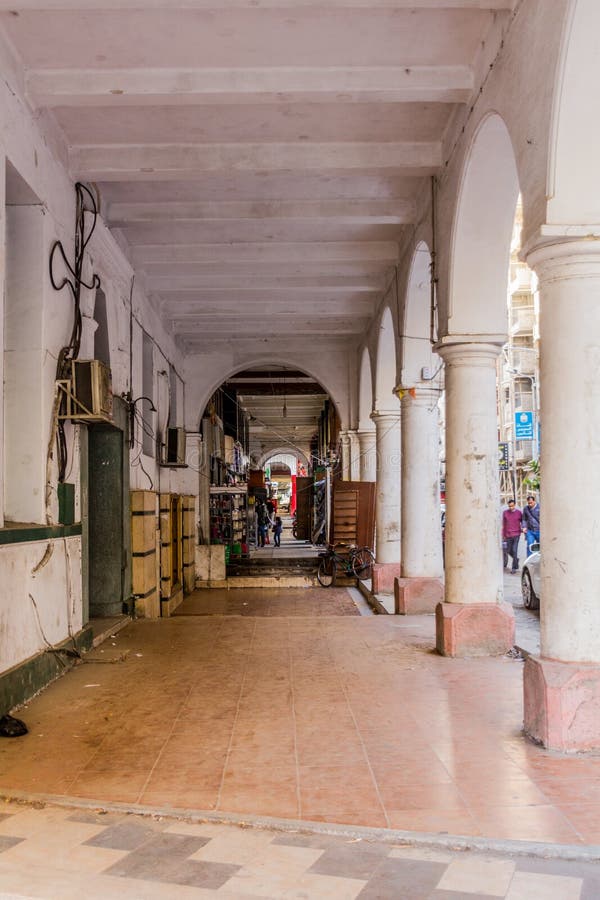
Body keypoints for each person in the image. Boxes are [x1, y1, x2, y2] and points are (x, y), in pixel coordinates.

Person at [502, 498, 522, 573]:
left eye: (512, 506)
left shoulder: (519, 513)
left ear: (515, 505)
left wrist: (523, 528)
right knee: (508, 550)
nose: (511, 507)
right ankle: (516, 559)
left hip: (516, 534)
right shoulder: (505, 513)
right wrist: (503, 535)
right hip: (508, 535)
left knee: (514, 550)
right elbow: (504, 524)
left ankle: (514, 568)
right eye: (509, 506)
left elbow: (522, 522)